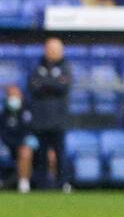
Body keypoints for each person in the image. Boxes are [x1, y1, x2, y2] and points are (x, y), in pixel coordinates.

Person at [28, 37, 72, 193]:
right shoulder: (36, 66)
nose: (53, 52)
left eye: (56, 49)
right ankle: (41, 185)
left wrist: (45, 83)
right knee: (40, 155)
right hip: (40, 120)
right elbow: (33, 86)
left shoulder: (66, 67)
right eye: (50, 49)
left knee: (60, 154)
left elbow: (62, 86)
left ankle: (63, 184)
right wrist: (52, 83)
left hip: (58, 120)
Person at [1, 84, 35, 193]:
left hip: (24, 144)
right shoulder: (3, 112)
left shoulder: (29, 109)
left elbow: (32, 130)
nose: (13, 98)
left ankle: (24, 183)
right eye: (10, 95)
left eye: (14, 95)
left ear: (20, 95)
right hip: (6, 145)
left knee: (25, 151)